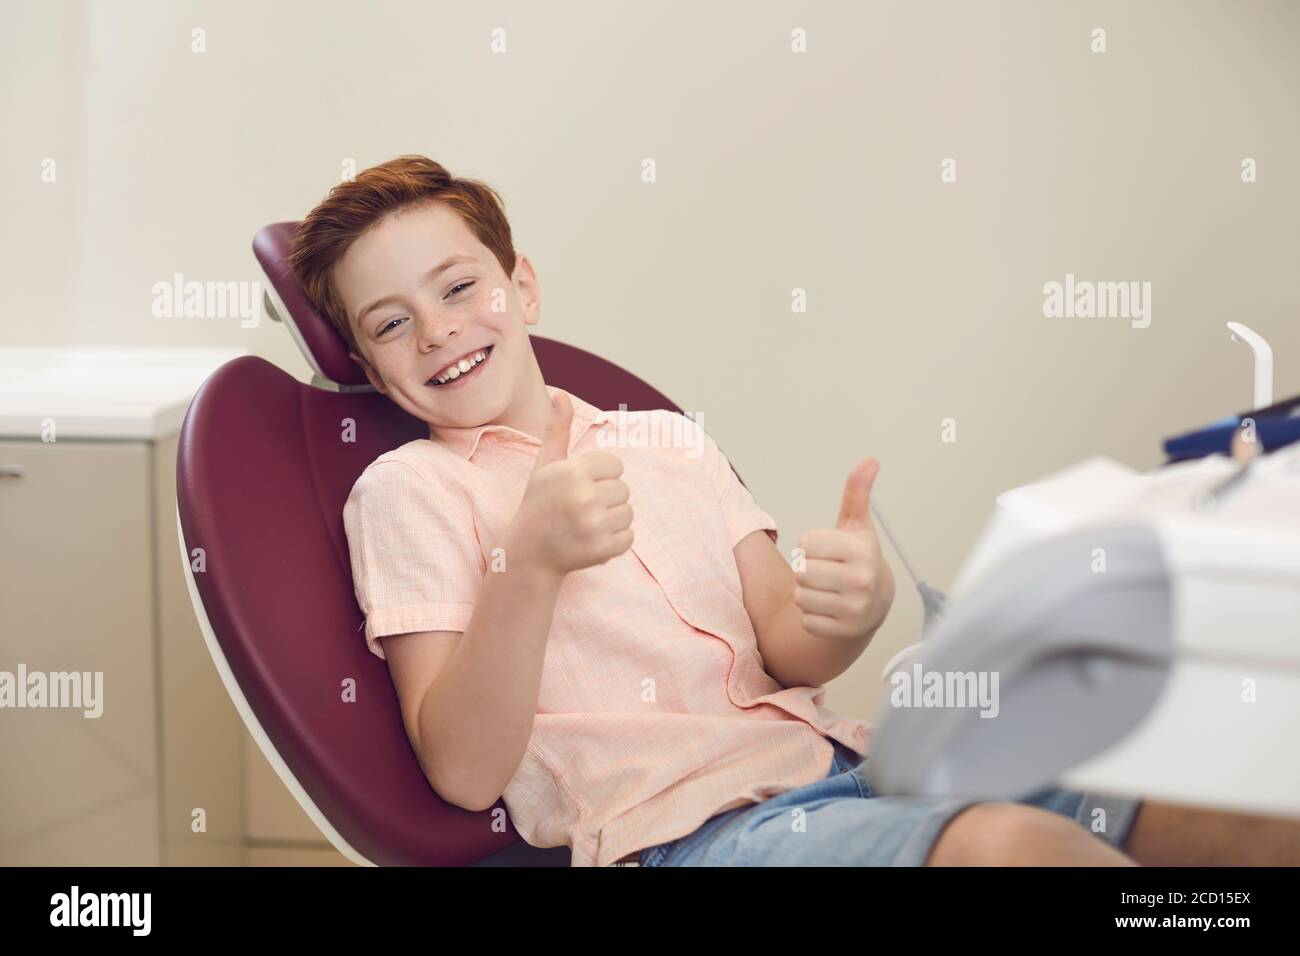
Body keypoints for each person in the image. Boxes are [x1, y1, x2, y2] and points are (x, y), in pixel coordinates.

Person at [289, 154, 1300, 867]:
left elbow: (786, 649)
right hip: (695, 835)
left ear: (525, 286)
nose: (438, 330)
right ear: (369, 365)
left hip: (852, 767)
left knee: (1213, 806)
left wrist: (845, 612)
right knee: (1010, 849)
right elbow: (463, 771)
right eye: (391, 323)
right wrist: (530, 564)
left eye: (461, 286)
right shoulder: (408, 492)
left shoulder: (668, 441)